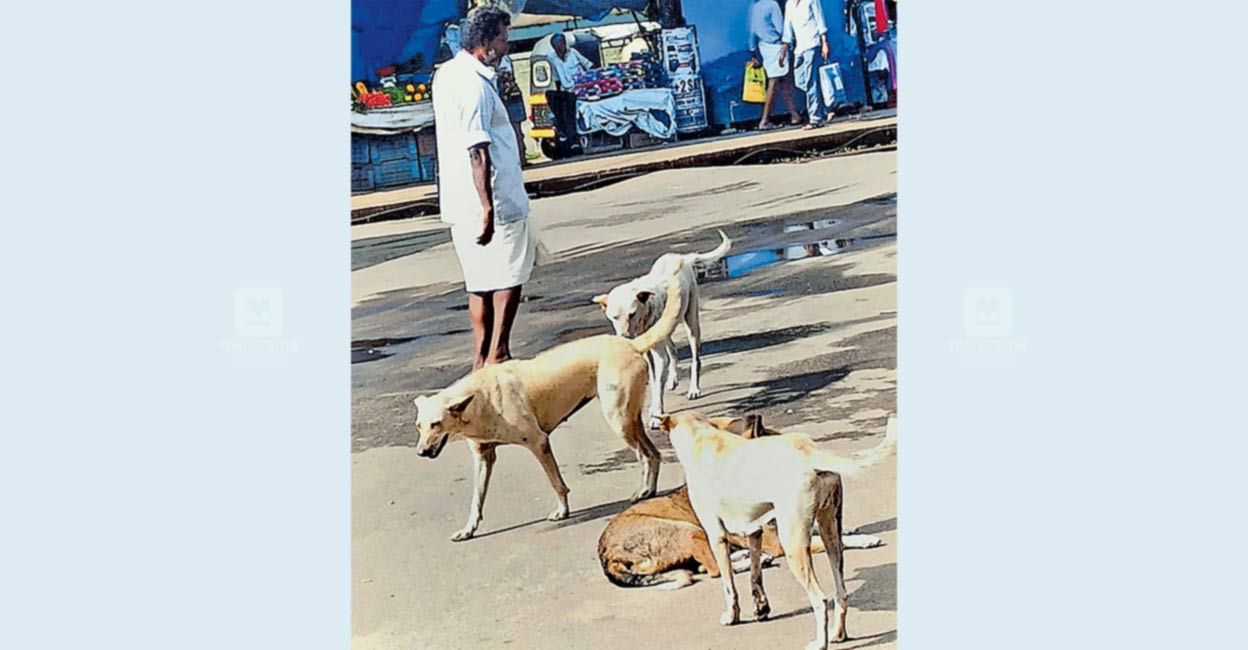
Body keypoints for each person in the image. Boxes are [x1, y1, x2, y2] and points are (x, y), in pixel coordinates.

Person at [432, 4, 534, 369]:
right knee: (509, 273)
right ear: (486, 43)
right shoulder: (474, 85)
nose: (506, 47)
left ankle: (481, 356)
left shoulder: (446, 75)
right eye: (504, 39)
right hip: (494, 201)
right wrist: (488, 207)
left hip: (460, 202)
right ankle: (499, 352)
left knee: (478, 280)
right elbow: (478, 150)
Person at [747, 0, 802, 129]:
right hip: (776, 46)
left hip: (764, 47)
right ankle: (764, 120)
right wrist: (790, 42)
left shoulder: (755, 7)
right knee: (774, 82)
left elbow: (752, 31)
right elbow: (780, 28)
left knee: (784, 82)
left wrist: (753, 53)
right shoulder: (772, 5)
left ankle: (794, 115)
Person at [779, 0, 831, 130]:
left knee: (810, 82)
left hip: (812, 45)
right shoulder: (790, 4)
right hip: (799, 48)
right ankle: (824, 109)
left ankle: (815, 118)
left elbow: (820, 21)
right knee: (801, 81)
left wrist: (824, 43)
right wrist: (784, 49)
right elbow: (788, 27)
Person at [544, 32, 594, 156]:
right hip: (567, 90)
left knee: (568, 109)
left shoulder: (573, 53)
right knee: (553, 98)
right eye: (560, 44)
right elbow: (556, 78)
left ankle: (571, 138)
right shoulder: (551, 58)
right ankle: (564, 134)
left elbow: (588, 65)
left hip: (580, 88)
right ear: (555, 47)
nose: (563, 46)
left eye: (563, 43)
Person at [496, 54, 528, 166]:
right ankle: (518, 158)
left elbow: (508, 78)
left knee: (517, 131)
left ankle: (521, 157)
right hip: (503, 98)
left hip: (511, 97)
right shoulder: (494, 61)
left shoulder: (505, 59)